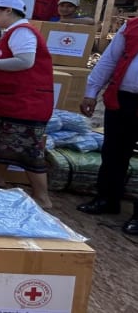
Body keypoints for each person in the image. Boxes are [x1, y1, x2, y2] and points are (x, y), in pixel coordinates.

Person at [0, 0, 54, 208]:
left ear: (8, 11)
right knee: (3, 141)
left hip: (26, 103)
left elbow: (25, 61)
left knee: (29, 150)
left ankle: (42, 196)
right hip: (11, 101)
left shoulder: (22, 32)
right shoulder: (10, 33)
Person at [76, 18, 138, 236]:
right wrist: (91, 92)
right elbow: (109, 60)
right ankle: (107, 199)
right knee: (113, 151)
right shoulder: (132, 26)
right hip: (123, 98)